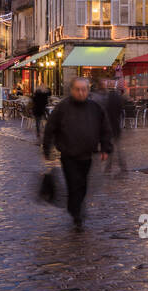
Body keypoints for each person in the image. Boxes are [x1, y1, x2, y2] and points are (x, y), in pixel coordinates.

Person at [42, 77, 113, 230]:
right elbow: (50, 128)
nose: (81, 93)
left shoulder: (95, 108)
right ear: (72, 90)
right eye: (78, 89)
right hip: (69, 154)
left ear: (88, 90)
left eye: (84, 89)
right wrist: (46, 148)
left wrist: (106, 147)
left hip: (87, 154)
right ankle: (76, 213)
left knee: (82, 184)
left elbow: (105, 128)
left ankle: (77, 208)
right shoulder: (62, 107)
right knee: (74, 184)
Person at [101, 81, 128, 175]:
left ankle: (108, 168)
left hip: (109, 126)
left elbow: (103, 112)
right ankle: (123, 167)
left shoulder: (106, 98)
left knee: (111, 147)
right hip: (116, 126)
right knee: (118, 147)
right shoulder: (118, 98)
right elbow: (122, 112)